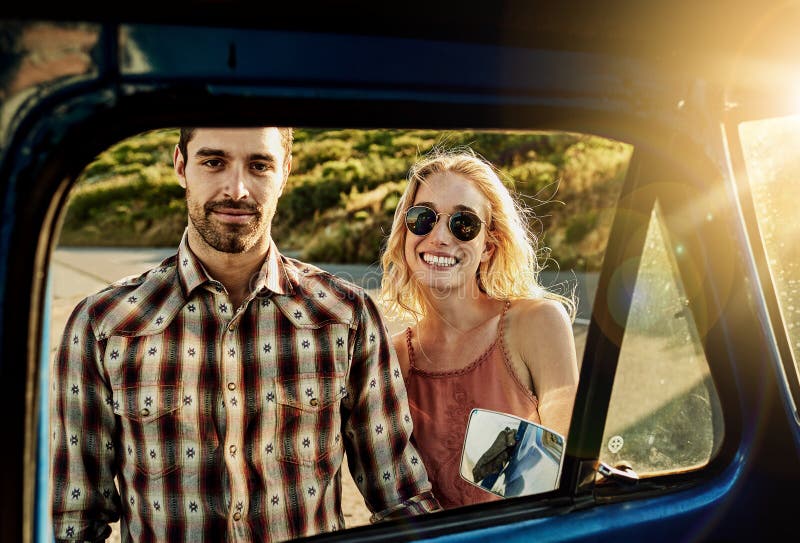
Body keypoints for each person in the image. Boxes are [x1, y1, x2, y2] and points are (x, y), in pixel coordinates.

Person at [50, 127, 441, 542]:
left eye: (259, 165)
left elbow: (401, 498)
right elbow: (70, 523)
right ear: (181, 166)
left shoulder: (345, 315)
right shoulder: (104, 326)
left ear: (285, 172)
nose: (236, 190)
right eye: (214, 162)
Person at [379, 147, 579, 509]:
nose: (439, 237)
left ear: (488, 246)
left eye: (463, 223)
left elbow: (569, 467)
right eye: (424, 219)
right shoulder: (393, 358)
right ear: (406, 233)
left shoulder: (536, 324)